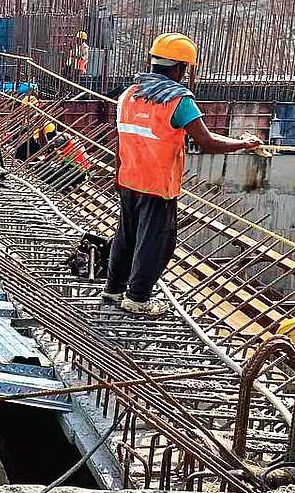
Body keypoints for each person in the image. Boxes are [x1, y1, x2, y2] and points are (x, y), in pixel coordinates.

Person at [103, 33, 262, 316]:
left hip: (128, 178)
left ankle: (113, 290)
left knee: (126, 236)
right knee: (154, 242)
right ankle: (137, 299)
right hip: (158, 185)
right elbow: (207, 141)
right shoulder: (178, 100)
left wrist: (118, 175)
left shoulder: (128, 95)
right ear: (179, 69)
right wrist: (244, 143)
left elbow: (121, 140)